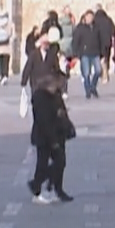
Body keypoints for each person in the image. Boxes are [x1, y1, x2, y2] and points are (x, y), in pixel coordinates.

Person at [30, 71, 77, 204]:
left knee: (60, 162)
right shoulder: (40, 97)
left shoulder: (56, 95)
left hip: (58, 133)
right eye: (61, 83)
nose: (63, 86)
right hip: (44, 136)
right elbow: (44, 121)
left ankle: (56, 188)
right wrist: (53, 141)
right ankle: (37, 188)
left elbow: (61, 112)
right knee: (43, 164)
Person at [70, 11, 103, 99]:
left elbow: (100, 40)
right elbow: (75, 41)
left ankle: (93, 86)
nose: (90, 19)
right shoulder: (80, 28)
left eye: (91, 17)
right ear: (85, 18)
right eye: (88, 17)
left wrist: (102, 52)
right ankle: (88, 90)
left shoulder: (96, 28)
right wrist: (76, 53)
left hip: (95, 52)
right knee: (86, 73)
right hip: (85, 53)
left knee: (98, 71)